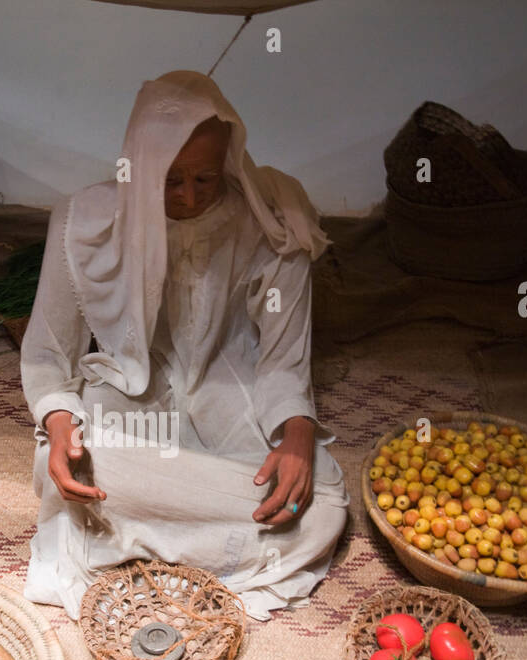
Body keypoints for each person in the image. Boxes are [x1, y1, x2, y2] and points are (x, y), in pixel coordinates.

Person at [20, 70, 348, 621]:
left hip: (232, 388)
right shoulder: (84, 223)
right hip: (132, 394)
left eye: (207, 179)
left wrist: (296, 434)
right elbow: (48, 356)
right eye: (171, 180)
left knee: (324, 506)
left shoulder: (272, 217)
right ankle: (212, 540)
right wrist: (58, 428)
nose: (190, 197)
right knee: (61, 466)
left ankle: (139, 538)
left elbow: (284, 362)